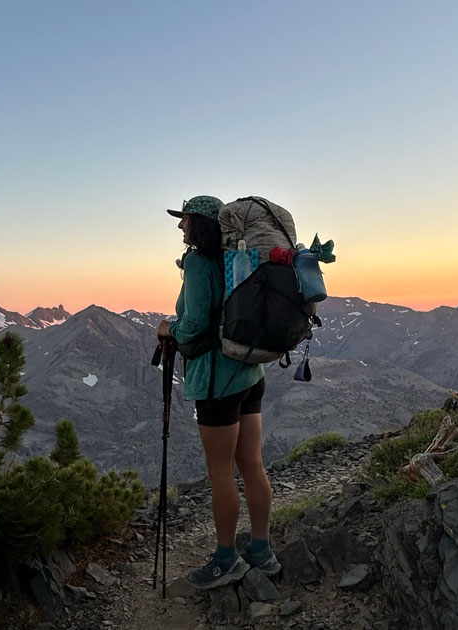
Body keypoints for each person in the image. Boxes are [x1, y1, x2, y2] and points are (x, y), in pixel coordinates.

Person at [156, 195, 280, 590]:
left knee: (221, 471)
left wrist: (167, 331)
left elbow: (192, 323)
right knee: (253, 465)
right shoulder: (236, 259)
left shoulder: (197, 263)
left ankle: (226, 559)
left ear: (201, 224)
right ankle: (261, 550)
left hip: (216, 382)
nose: (180, 227)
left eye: (185, 219)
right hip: (249, 373)